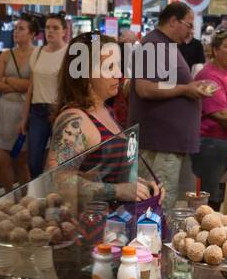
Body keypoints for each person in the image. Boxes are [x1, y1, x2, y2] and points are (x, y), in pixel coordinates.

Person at [45, 33, 155, 205]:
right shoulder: (74, 120)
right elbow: (59, 181)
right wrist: (118, 190)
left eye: (118, 65)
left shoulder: (106, 110)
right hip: (88, 219)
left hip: (114, 218)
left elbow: (107, 173)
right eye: (109, 67)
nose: (119, 73)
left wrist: (139, 186)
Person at [127, 1, 216, 207]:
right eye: (189, 25)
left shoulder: (165, 45)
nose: (191, 31)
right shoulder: (153, 45)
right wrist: (185, 89)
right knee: (158, 202)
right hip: (159, 143)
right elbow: (144, 88)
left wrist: (191, 87)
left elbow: (164, 84)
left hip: (168, 142)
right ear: (173, 21)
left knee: (167, 201)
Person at [191, 30, 227, 207]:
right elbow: (221, 115)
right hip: (211, 142)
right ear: (215, 50)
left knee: (221, 193)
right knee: (208, 196)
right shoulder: (209, 76)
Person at [0, 16, 34, 190]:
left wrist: (7, 80)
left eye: (21, 28)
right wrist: (20, 85)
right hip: (4, 110)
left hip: (24, 111)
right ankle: (9, 195)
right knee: (1, 160)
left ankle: (25, 199)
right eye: (15, 28)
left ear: (32, 34)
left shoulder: (37, 55)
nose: (16, 32)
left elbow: (33, 85)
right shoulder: (6, 55)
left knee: (22, 162)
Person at [21, 13, 68, 178]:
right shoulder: (38, 52)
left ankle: (53, 191)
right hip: (37, 111)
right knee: (33, 161)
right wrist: (24, 118)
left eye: (55, 28)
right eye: (47, 27)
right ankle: (39, 190)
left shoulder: (69, 53)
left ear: (64, 31)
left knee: (58, 161)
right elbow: (31, 87)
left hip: (60, 110)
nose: (50, 31)